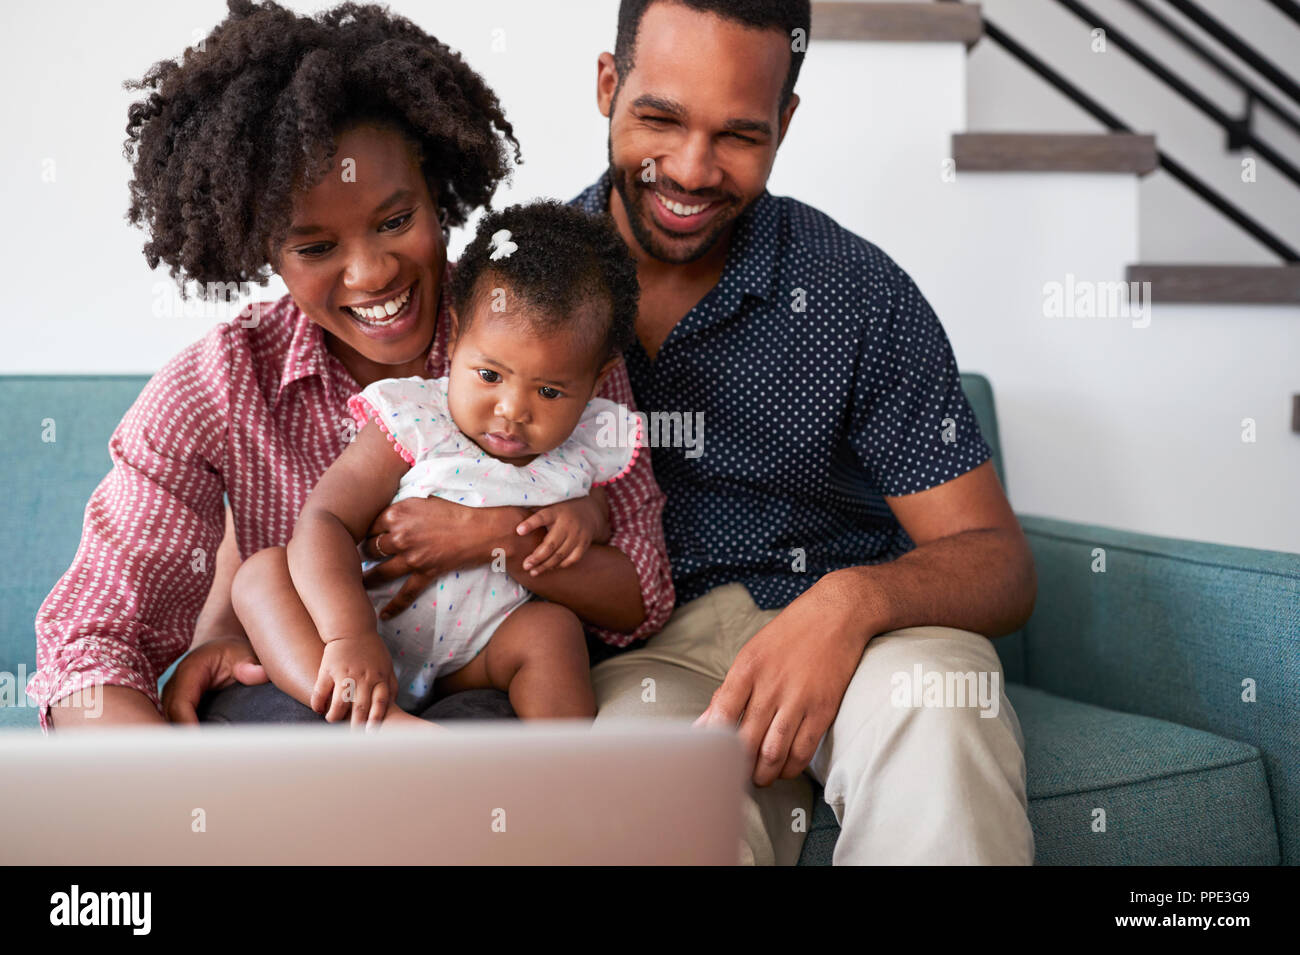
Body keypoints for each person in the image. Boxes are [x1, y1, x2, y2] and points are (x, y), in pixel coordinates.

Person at [28, 0, 674, 731]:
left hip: (478, 684)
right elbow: (91, 644)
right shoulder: (214, 389)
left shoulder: (539, 334)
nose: (370, 274)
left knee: (497, 716)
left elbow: (638, 594)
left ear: (438, 189)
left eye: (396, 221)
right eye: (313, 247)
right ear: (259, 248)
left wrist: (494, 535)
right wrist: (171, 796)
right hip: (317, 688)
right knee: (282, 704)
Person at [571, 0, 1038, 865]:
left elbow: (999, 559)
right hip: (647, 659)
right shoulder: (519, 280)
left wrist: (853, 602)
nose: (691, 169)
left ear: (785, 123)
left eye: (739, 136)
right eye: (660, 118)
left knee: (941, 698)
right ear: (608, 84)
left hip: (867, 639)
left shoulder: (857, 292)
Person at [230, 202, 643, 727]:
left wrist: (581, 520)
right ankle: (385, 726)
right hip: (366, 631)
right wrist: (348, 634)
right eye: (490, 375)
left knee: (552, 630)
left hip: (475, 652)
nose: (513, 411)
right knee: (260, 574)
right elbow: (325, 520)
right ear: (456, 336)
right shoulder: (414, 418)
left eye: (549, 390)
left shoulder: (584, 443)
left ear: (597, 381)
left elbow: (600, 519)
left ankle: (560, 771)